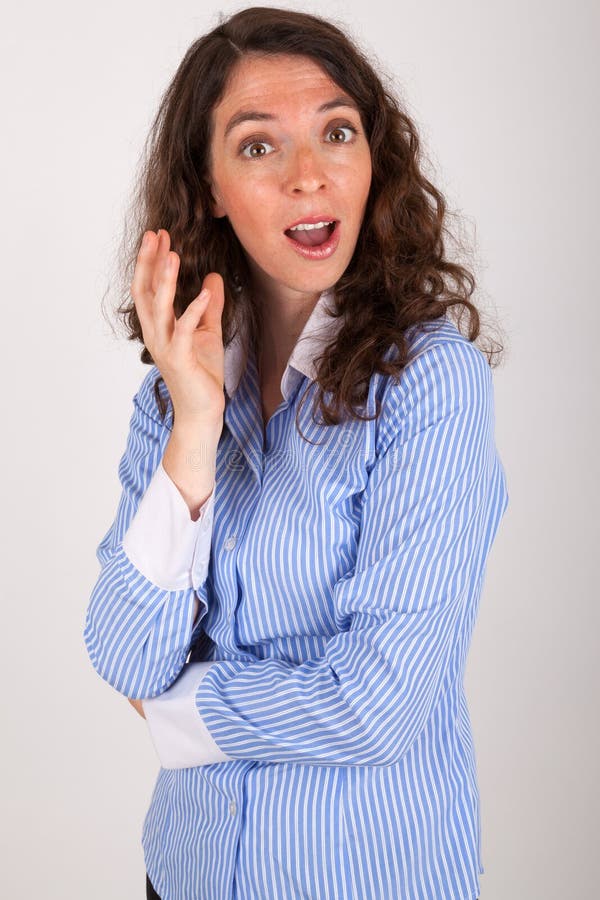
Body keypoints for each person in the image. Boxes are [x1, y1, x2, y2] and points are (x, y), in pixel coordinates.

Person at [83, 7, 508, 899]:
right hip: (187, 873)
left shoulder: (432, 383)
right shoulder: (174, 391)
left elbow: (380, 702)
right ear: (208, 185)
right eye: (258, 147)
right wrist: (195, 428)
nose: (309, 176)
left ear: (371, 160)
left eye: (336, 133)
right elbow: (124, 656)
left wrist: (183, 713)